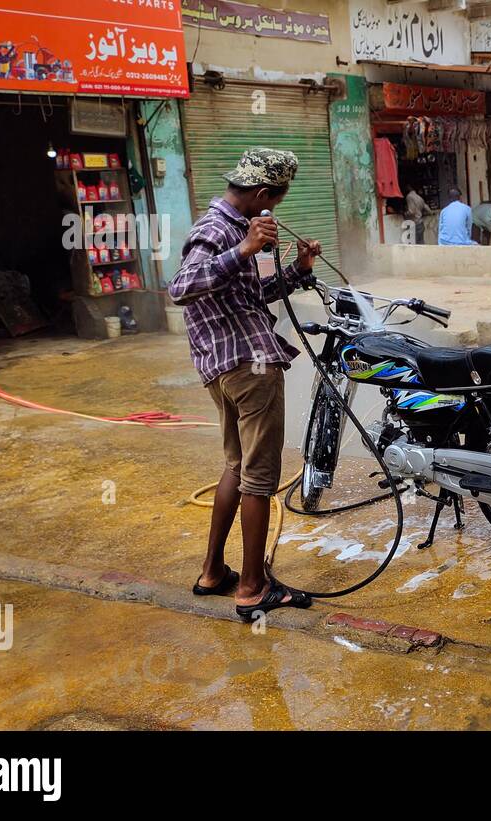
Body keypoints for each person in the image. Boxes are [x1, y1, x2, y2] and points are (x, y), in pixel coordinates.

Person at [167, 147, 320, 622]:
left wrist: (298, 270)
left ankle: (213, 573)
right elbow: (181, 288)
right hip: (247, 370)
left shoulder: (238, 229)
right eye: (275, 200)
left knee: (236, 465)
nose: (274, 210)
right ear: (260, 194)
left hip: (228, 366)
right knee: (259, 476)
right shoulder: (217, 232)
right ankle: (253, 589)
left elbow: (251, 296)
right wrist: (244, 250)